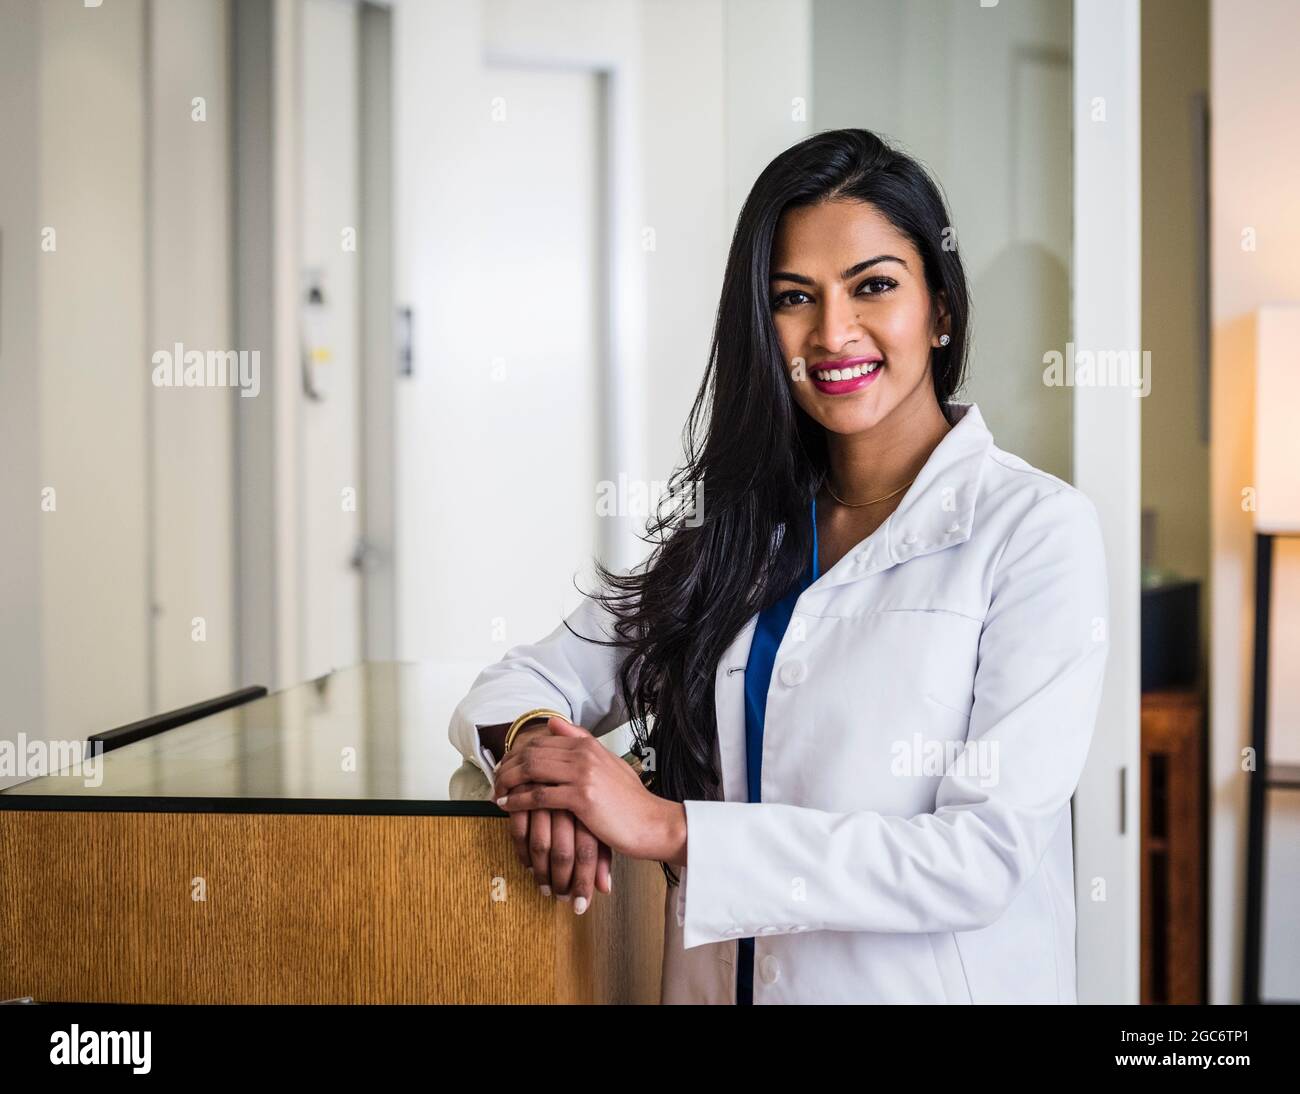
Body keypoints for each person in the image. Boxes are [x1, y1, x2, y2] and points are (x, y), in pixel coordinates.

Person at [448, 128, 1110, 1004]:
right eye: (794, 297)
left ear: (940, 308)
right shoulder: (734, 536)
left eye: (874, 285)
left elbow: (977, 861)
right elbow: (507, 686)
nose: (834, 332)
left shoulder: (1035, 532)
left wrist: (669, 828)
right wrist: (543, 755)